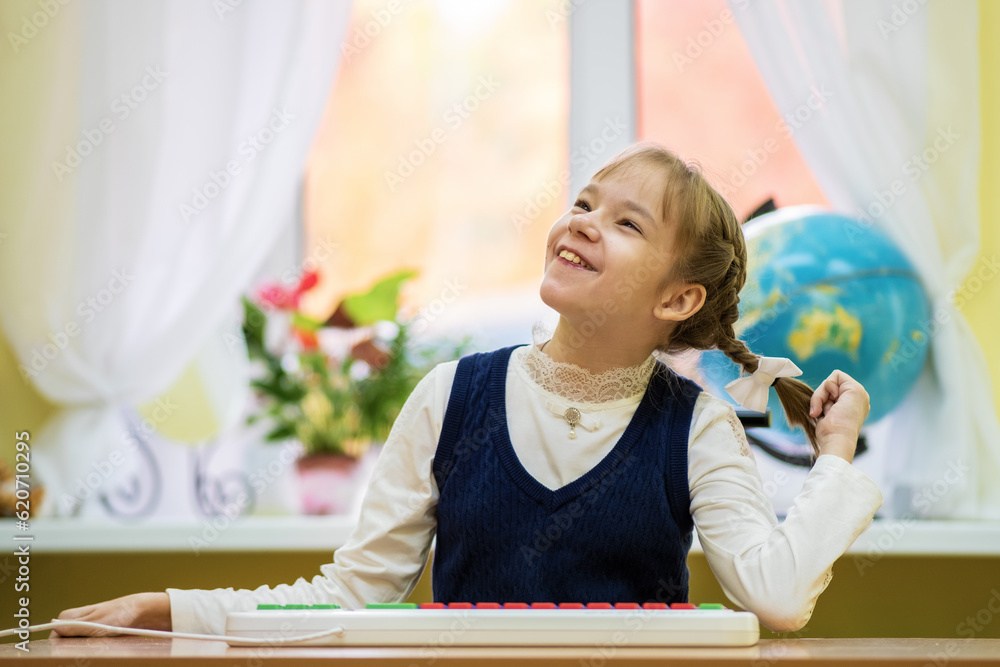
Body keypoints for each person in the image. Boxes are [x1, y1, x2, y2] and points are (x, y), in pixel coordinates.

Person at [53, 142, 881, 637]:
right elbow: (351, 596)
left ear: (677, 299)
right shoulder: (449, 396)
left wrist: (836, 454)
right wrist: (168, 609)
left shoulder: (698, 427)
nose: (584, 220)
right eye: (585, 201)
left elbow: (774, 596)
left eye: (628, 222)